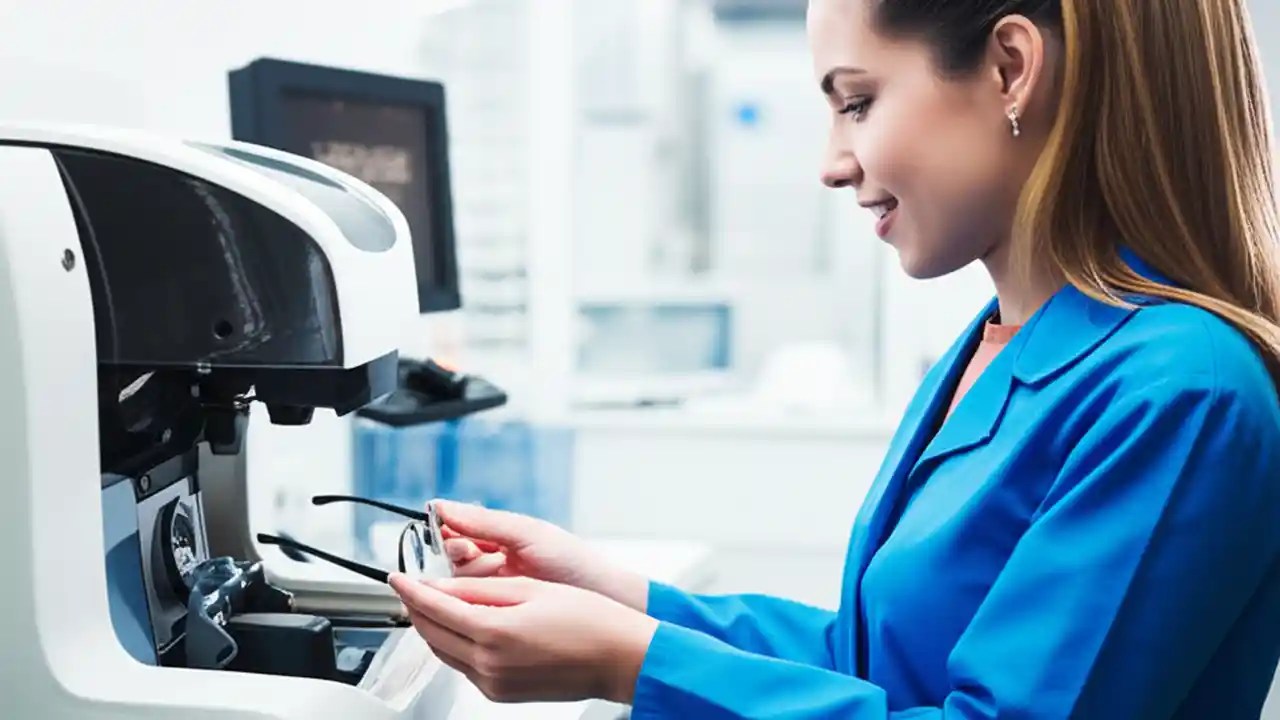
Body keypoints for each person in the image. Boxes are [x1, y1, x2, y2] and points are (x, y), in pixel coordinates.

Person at [388, 0, 1280, 716]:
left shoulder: (1180, 391)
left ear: (1011, 69)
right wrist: (620, 597)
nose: (831, 163)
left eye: (856, 101)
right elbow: (868, 663)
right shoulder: (991, 346)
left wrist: (632, 665)